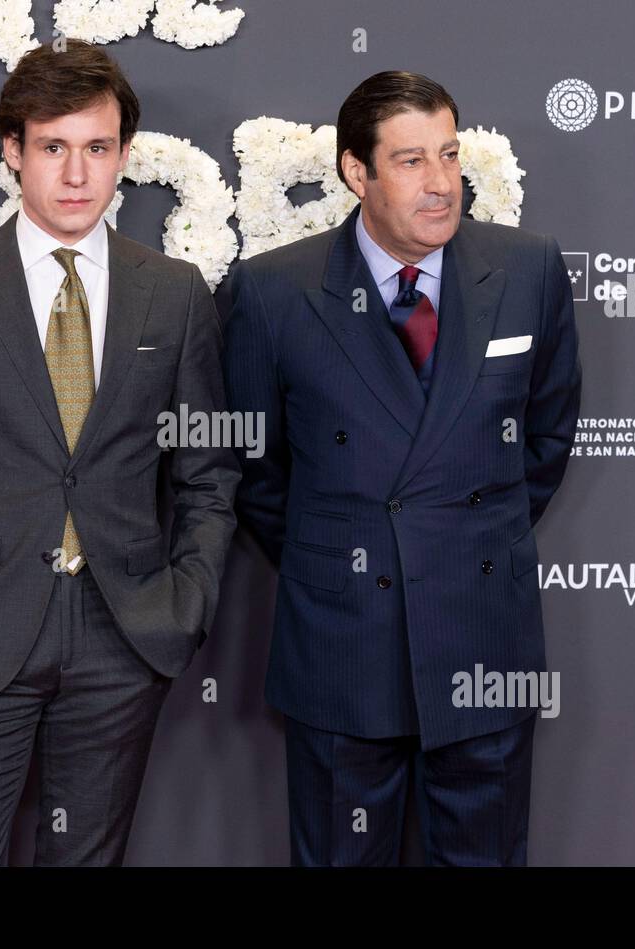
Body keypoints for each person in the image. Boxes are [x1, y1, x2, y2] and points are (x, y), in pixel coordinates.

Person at [0, 38, 239, 866]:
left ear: (123, 157)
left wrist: (185, 601)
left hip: (121, 636)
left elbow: (208, 474)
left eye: (97, 149)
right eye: (54, 148)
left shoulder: (171, 294)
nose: (76, 175)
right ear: (13, 153)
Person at [222, 71, 581, 865]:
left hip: (484, 634)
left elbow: (547, 438)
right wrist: (344, 556)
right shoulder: (272, 293)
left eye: (450, 155)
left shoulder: (528, 271)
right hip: (342, 645)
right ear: (358, 172)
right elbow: (255, 468)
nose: (442, 184)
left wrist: (465, 540)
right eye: (412, 160)